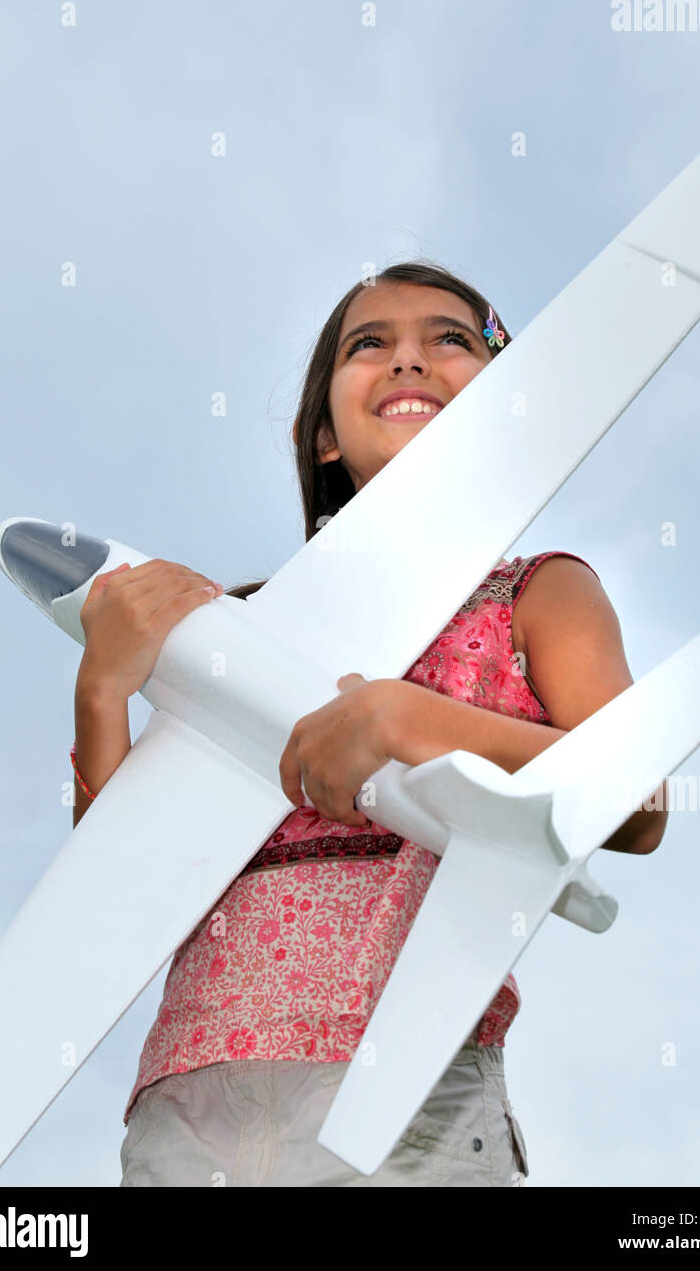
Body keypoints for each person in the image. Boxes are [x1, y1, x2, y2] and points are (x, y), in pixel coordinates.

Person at [71, 259, 668, 1187]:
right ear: (320, 438)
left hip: (409, 1095)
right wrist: (104, 690)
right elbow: (116, 893)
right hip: (188, 1111)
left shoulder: (534, 592)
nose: (409, 360)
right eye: (369, 344)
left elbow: (637, 799)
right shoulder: (239, 630)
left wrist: (404, 717)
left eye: (451, 339)